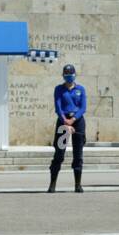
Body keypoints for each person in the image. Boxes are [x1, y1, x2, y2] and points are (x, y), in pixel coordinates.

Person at [48, 63, 86, 193]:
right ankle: (52, 185)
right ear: (63, 76)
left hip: (77, 121)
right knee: (59, 152)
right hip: (63, 122)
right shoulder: (59, 89)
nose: (69, 77)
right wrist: (65, 121)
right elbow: (58, 106)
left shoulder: (81, 89)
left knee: (78, 153)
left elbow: (83, 107)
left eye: (71, 75)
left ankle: (78, 184)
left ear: (75, 75)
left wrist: (73, 119)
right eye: (67, 75)